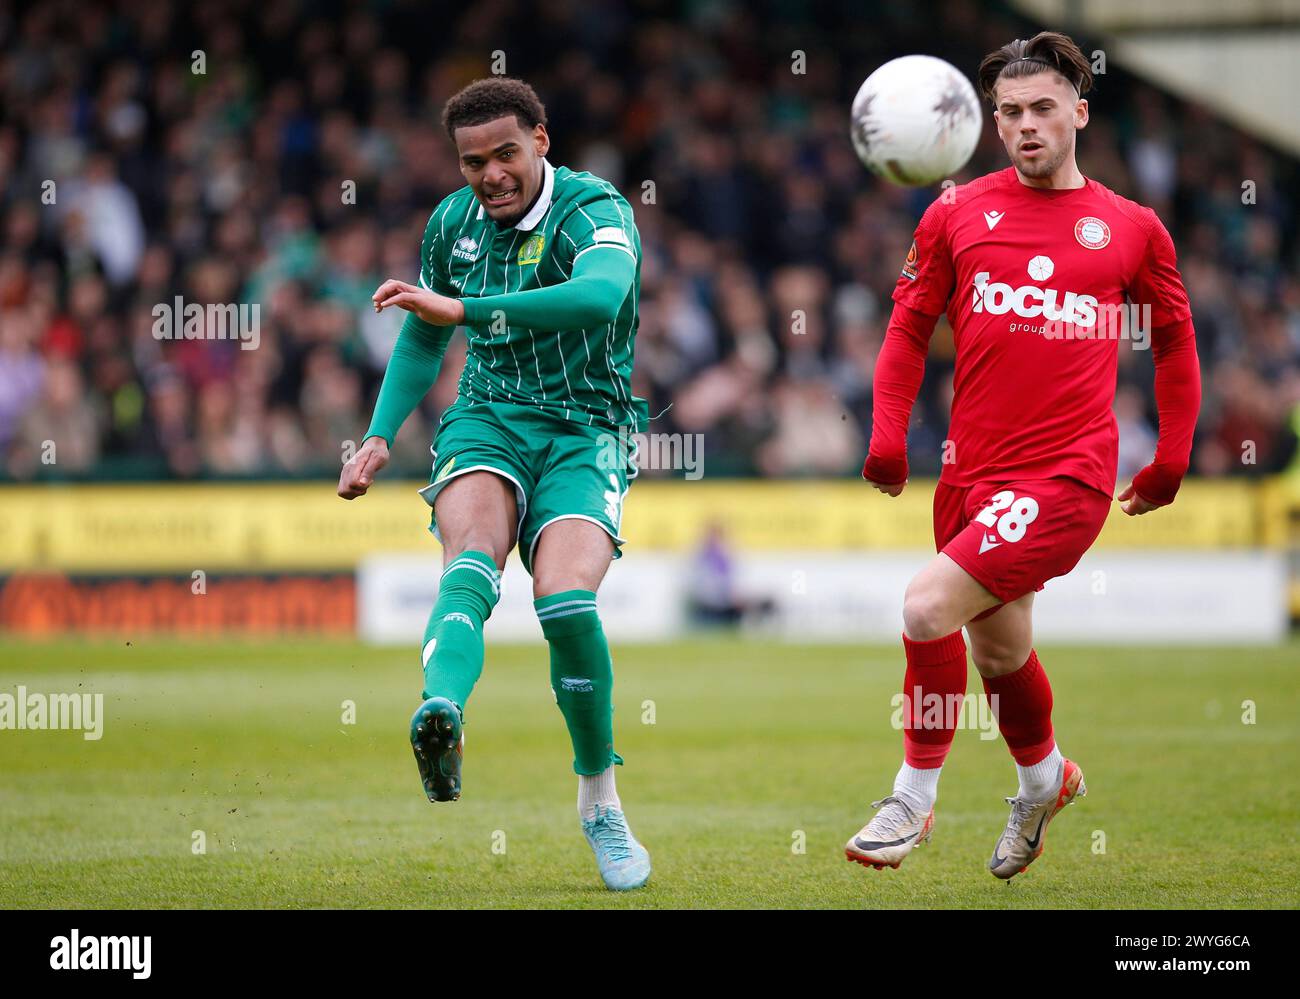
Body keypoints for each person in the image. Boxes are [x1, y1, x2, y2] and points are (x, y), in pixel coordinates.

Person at [844, 32, 1202, 880]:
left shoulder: (1131, 229)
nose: (1027, 125)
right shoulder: (956, 213)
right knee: (999, 654)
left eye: (1044, 108)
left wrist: (1170, 461)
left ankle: (912, 798)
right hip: (970, 474)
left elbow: (1177, 344)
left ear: (1080, 111)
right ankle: (1045, 781)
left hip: (1067, 478)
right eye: (1010, 112)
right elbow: (906, 326)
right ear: (991, 122)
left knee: (927, 605)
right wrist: (888, 434)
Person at [338, 77, 651, 891]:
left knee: (565, 600)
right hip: (489, 414)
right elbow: (418, 338)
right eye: (474, 161)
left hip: (589, 425)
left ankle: (598, 800)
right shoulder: (452, 222)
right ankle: (440, 712)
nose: (491, 175)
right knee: (471, 556)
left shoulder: (596, 210)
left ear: (542, 140)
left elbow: (601, 296)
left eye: (506, 153)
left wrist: (467, 313)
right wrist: (377, 435)